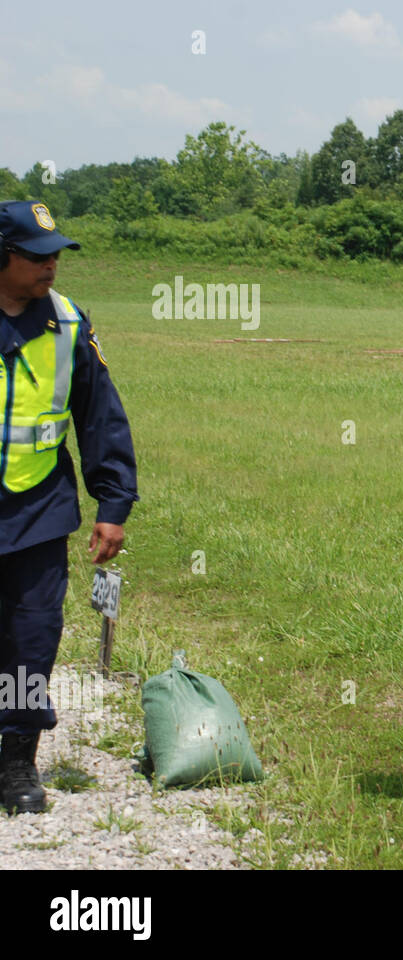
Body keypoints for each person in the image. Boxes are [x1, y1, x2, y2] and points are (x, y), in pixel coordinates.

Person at [0, 201, 138, 814]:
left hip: (37, 511)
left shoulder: (68, 323)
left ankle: (16, 756)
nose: (51, 265)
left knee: (32, 637)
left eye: (56, 253)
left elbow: (99, 415)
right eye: (36, 254)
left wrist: (114, 500)